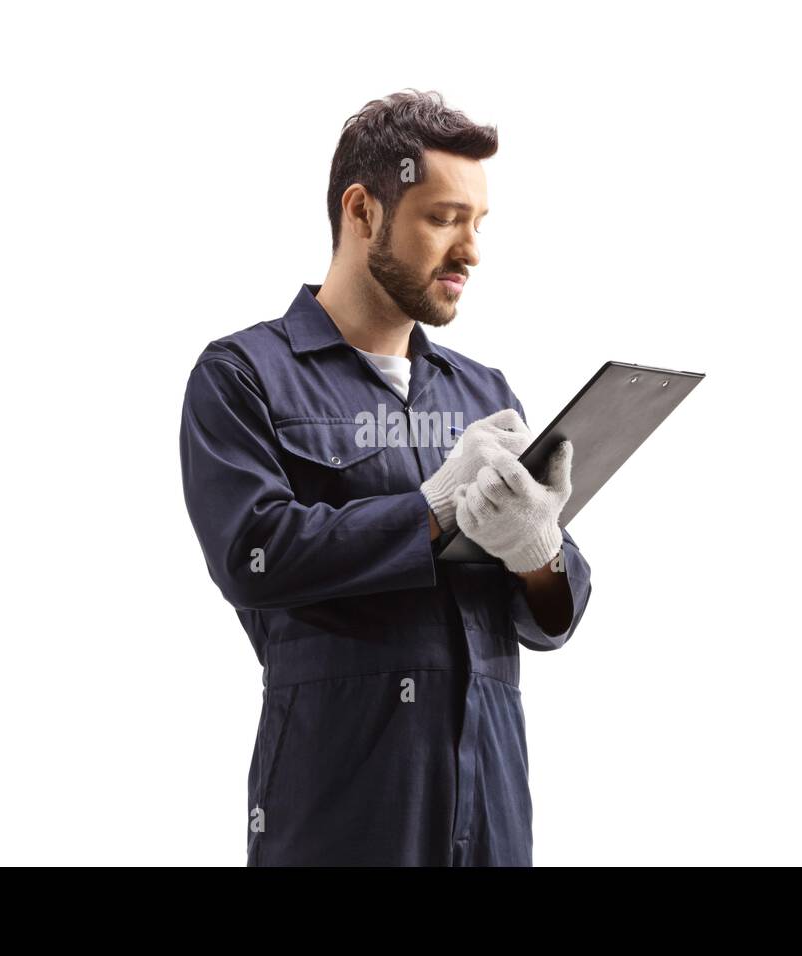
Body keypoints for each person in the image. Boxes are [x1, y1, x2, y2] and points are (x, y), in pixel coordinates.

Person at [179, 90, 592, 866]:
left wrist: (538, 549)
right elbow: (252, 554)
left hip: (491, 814)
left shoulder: (484, 394)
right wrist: (432, 508)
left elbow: (551, 619)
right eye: (443, 218)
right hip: (343, 815)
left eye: (478, 224)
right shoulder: (244, 376)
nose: (470, 251)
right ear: (363, 212)